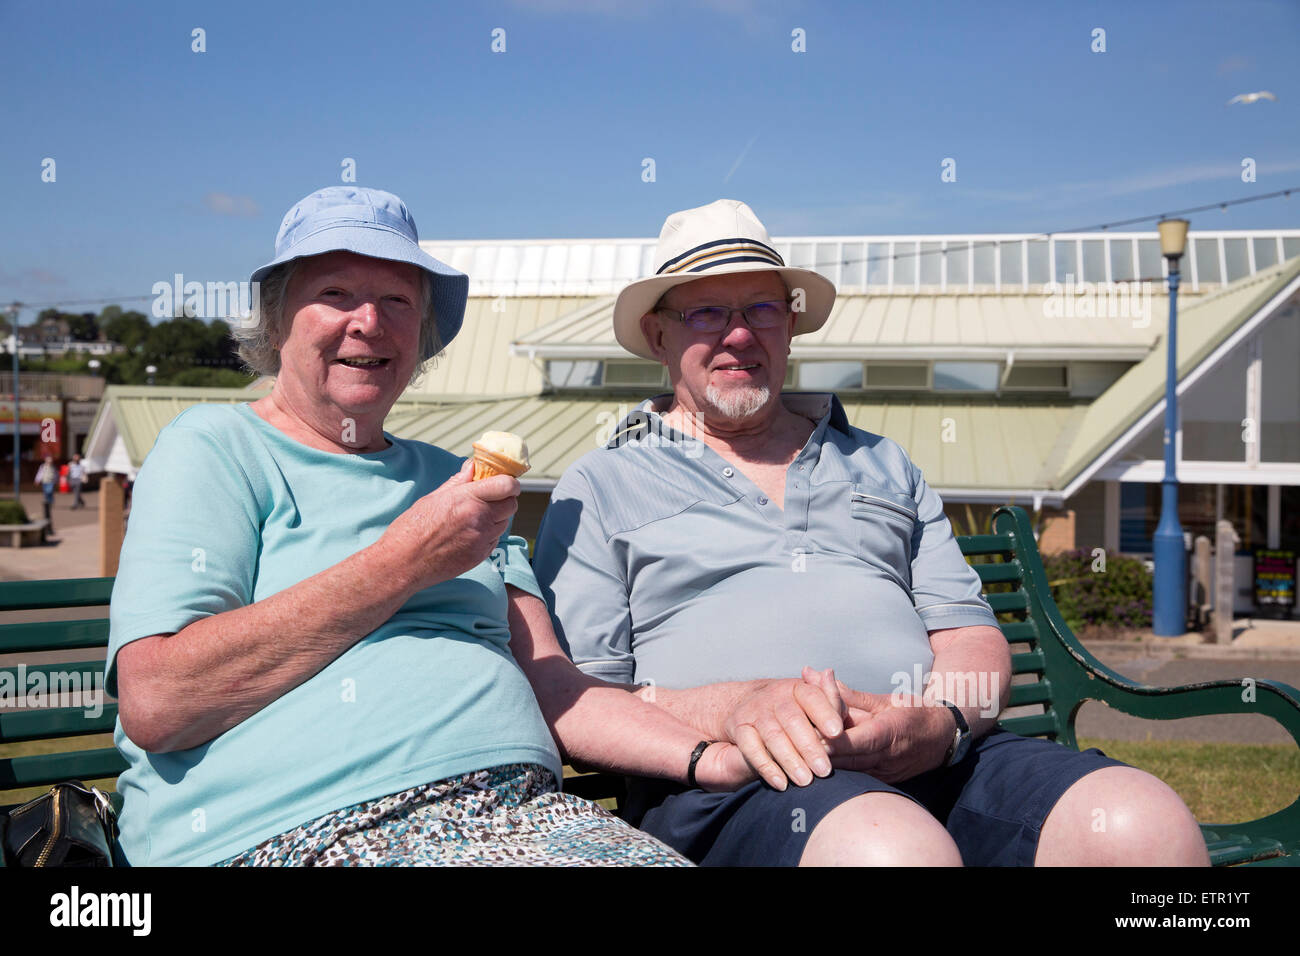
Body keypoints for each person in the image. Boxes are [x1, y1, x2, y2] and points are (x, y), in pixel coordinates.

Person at [532, 199, 1211, 867]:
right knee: (889, 851)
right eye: (706, 312)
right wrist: (731, 711)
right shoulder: (600, 484)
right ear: (658, 336)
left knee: (1140, 826)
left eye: (762, 309)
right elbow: (585, 698)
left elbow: (969, 636)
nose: (739, 334)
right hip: (739, 785)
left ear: (790, 327)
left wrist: (940, 724)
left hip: (937, 761)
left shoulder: (882, 462)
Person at [107, 186, 754, 867]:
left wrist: (709, 758)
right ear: (275, 323)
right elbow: (158, 701)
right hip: (314, 828)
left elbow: (557, 686)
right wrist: (405, 560)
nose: (368, 321)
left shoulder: (459, 479)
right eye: (335, 293)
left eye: (397, 302)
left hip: (534, 820)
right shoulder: (215, 447)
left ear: (420, 338)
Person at [34, 455, 57, 531]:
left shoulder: (53, 467)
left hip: (51, 481)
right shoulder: (43, 466)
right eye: (48, 460)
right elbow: (40, 473)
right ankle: (48, 501)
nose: (49, 462)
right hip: (45, 481)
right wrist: (37, 480)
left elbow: (56, 474)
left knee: (50, 491)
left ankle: (50, 501)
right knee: (46, 493)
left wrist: (57, 480)